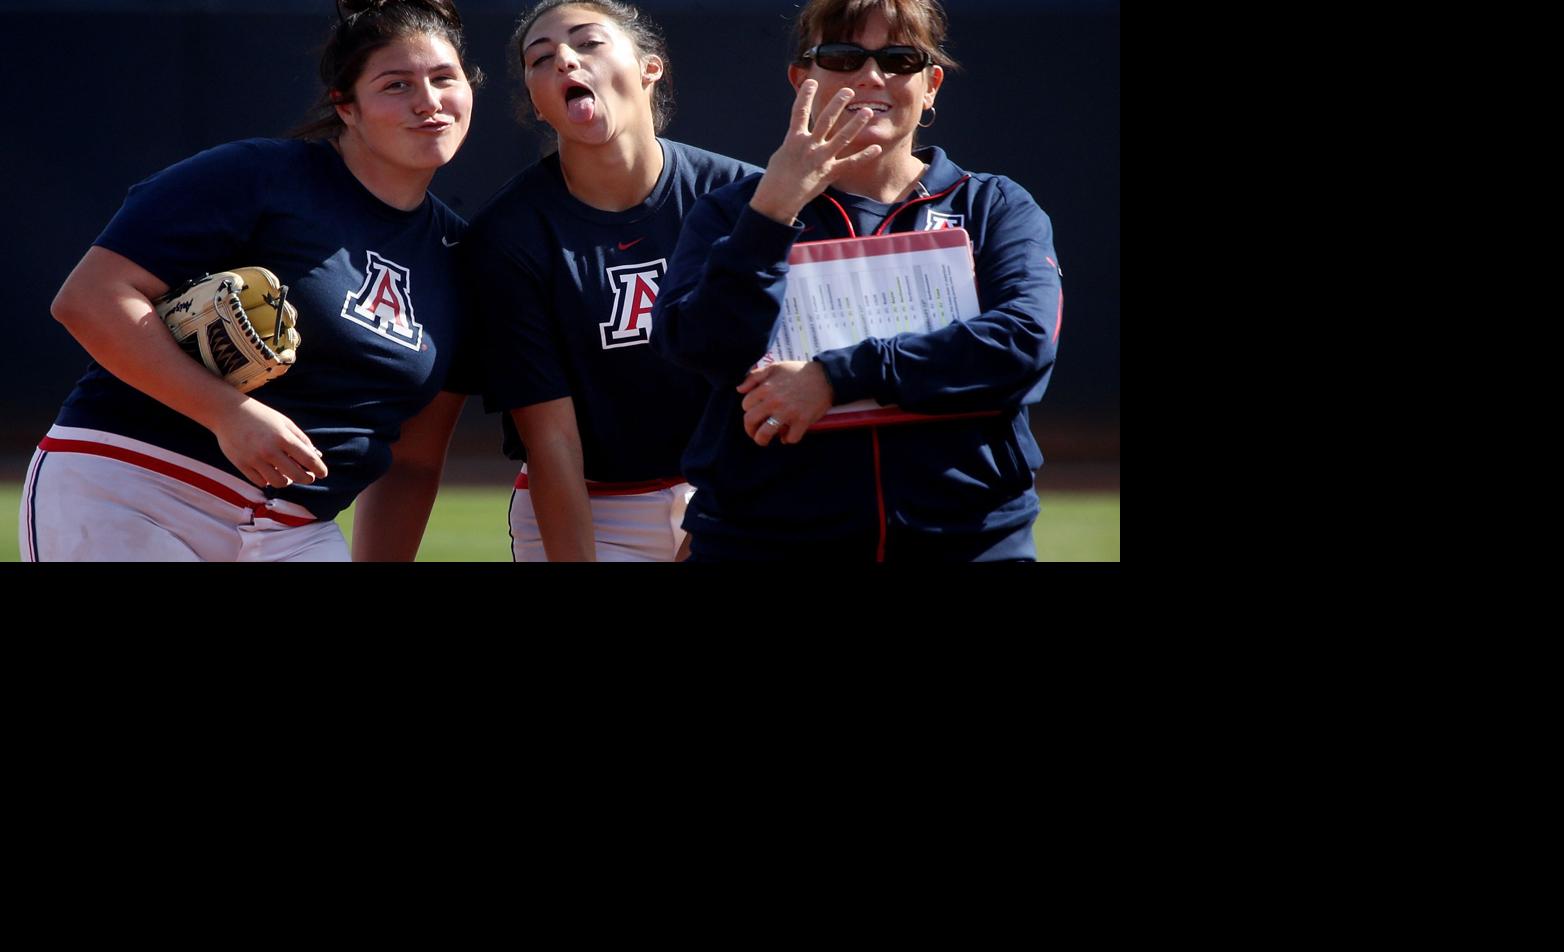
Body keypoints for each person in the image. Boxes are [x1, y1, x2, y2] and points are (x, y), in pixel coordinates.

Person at [19, 0, 480, 562]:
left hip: (294, 529)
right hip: (133, 483)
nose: (428, 102)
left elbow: (412, 462)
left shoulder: (463, 258)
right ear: (347, 106)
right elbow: (89, 299)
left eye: (443, 79)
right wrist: (225, 411)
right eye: (395, 85)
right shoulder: (259, 177)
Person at [654, 0, 1063, 562]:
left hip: (966, 540)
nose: (872, 76)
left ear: (931, 85)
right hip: (767, 541)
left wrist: (834, 378)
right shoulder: (734, 213)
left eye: (899, 58)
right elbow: (701, 348)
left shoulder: (993, 206)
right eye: (844, 56)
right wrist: (771, 215)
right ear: (803, 79)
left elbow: (1022, 344)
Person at [460, 0, 757, 562]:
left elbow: (766, 380)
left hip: (736, 494)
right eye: (540, 59)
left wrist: (716, 521)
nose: (566, 61)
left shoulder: (740, 199)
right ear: (537, 103)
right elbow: (552, 443)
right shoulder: (508, 235)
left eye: (589, 42)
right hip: (596, 511)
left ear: (650, 66)